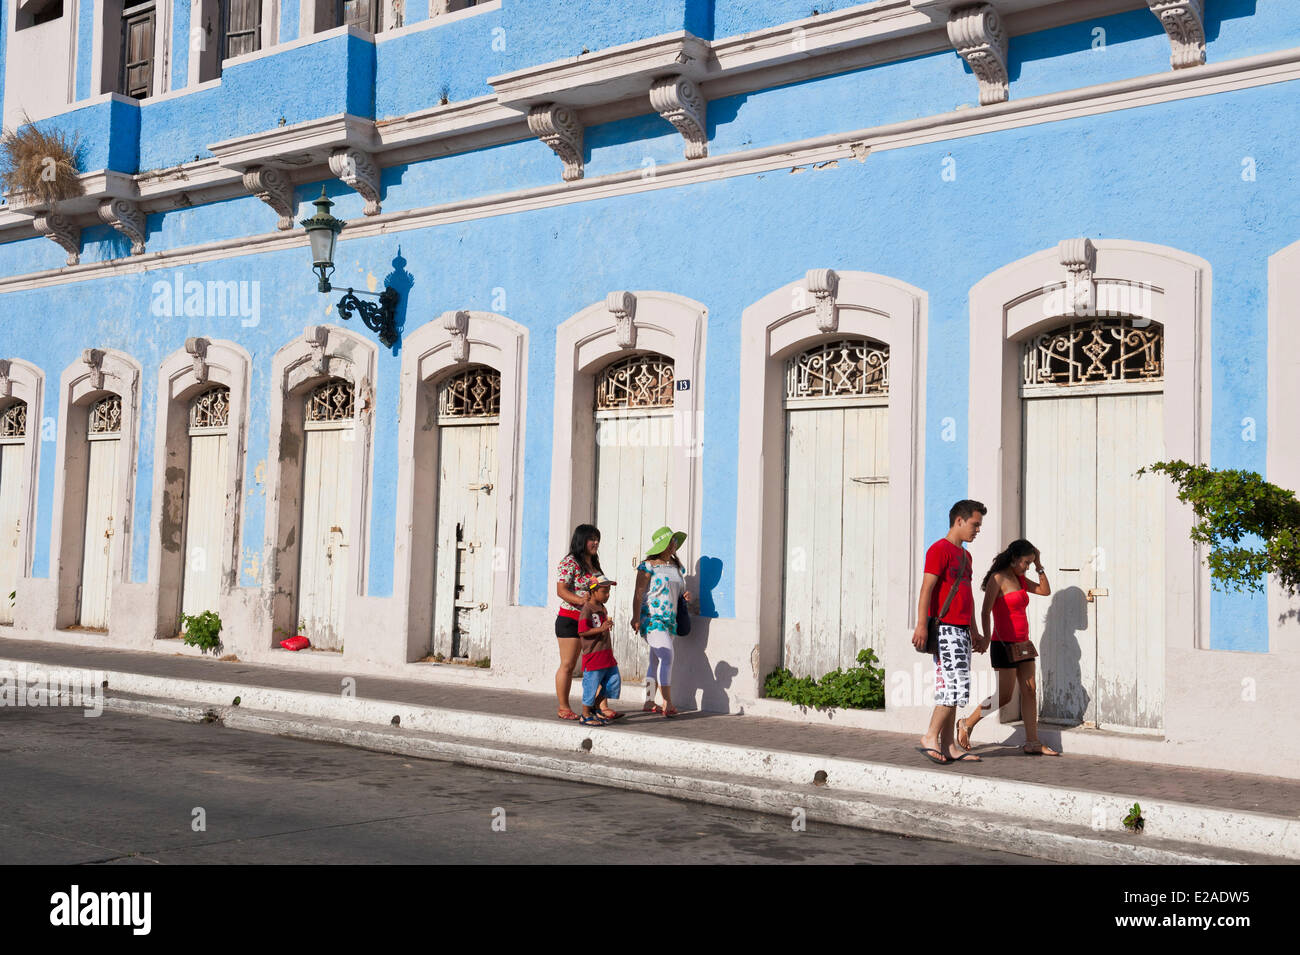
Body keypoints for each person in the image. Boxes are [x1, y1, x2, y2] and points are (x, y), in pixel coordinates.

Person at [956, 540, 1059, 756]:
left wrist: (1040, 564)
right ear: (1014, 558)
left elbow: (1045, 590)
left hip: (1023, 643)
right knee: (1004, 696)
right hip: (1003, 644)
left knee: (1030, 691)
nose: (1028, 567)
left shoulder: (1020, 579)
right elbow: (985, 611)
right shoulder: (998, 578)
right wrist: (984, 638)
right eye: (1026, 562)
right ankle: (967, 723)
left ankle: (1032, 741)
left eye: (1031, 563)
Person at [911, 500, 988, 765]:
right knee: (952, 687)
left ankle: (948, 745)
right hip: (945, 629)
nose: (977, 530)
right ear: (959, 521)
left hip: (962, 630)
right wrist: (921, 625)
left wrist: (975, 630)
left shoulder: (966, 556)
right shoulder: (938, 550)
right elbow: (926, 589)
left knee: (957, 690)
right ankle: (930, 737)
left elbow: (968, 596)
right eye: (975, 524)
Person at [631, 526, 692, 718]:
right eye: (672, 541)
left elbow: (679, 591)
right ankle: (667, 701)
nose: (675, 545)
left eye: (675, 542)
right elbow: (638, 593)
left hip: (670, 621)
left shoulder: (676, 568)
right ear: (664, 544)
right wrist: (635, 616)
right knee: (667, 656)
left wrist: (685, 596)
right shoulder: (648, 566)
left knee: (655, 660)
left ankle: (649, 701)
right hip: (652, 619)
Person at [554, 524, 603, 721]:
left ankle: (598, 706)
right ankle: (563, 707)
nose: (596, 542)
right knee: (568, 664)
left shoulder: (594, 563)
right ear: (581, 540)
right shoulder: (570, 562)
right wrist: (582, 601)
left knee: (596, 663)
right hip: (571, 619)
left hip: (592, 621)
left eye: (597, 538)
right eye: (592, 539)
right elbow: (562, 590)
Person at [578, 576, 622, 726]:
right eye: (604, 591)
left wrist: (606, 624)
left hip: (606, 654)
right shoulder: (587, 609)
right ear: (594, 591)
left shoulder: (602, 608)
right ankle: (585, 715)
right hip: (594, 656)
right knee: (591, 685)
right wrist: (601, 628)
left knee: (613, 681)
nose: (608, 594)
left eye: (609, 591)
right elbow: (583, 631)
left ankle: (596, 707)